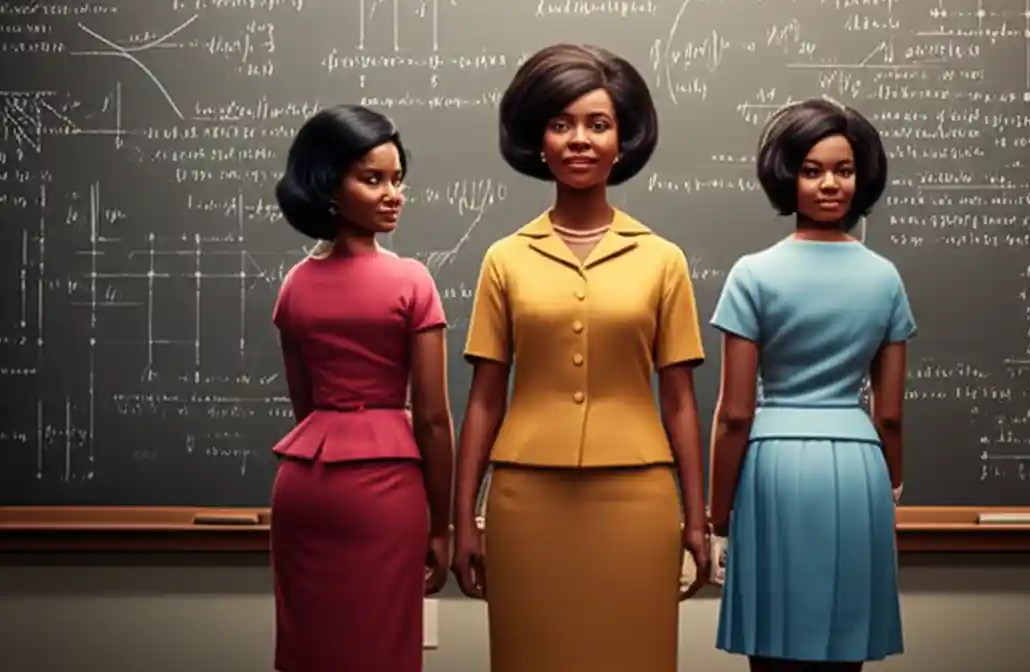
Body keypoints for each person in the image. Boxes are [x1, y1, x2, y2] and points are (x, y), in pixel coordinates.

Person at [450, 43, 711, 672]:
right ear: (538, 138)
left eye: (598, 124)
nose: (579, 140)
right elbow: (485, 397)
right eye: (561, 123)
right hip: (524, 499)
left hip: (639, 498)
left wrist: (698, 521)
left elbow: (679, 400)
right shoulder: (504, 258)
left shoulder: (663, 259)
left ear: (624, 140)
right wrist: (463, 520)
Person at [708, 98, 915, 672]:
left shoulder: (752, 274)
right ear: (789, 176)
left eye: (843, 171)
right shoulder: (885, 277)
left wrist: (715, 517)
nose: (831, 183)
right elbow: (890, 413)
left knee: (774, 647)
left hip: (772, 464)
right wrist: (891, 482)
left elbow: (734, 415)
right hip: (857, 470)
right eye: (814, 169)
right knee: (843, 648)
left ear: (861, 177)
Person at [269, 105, 454, 672]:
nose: (392, 194)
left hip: (305, 488)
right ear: (329, 184)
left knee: (312, 649)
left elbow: (305, 407)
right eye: (372, 179)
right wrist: (443, 525)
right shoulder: (411, 280)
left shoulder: (294, 286)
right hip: (384, 487)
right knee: (382, 648)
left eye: (397, 180)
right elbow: (432, 419)